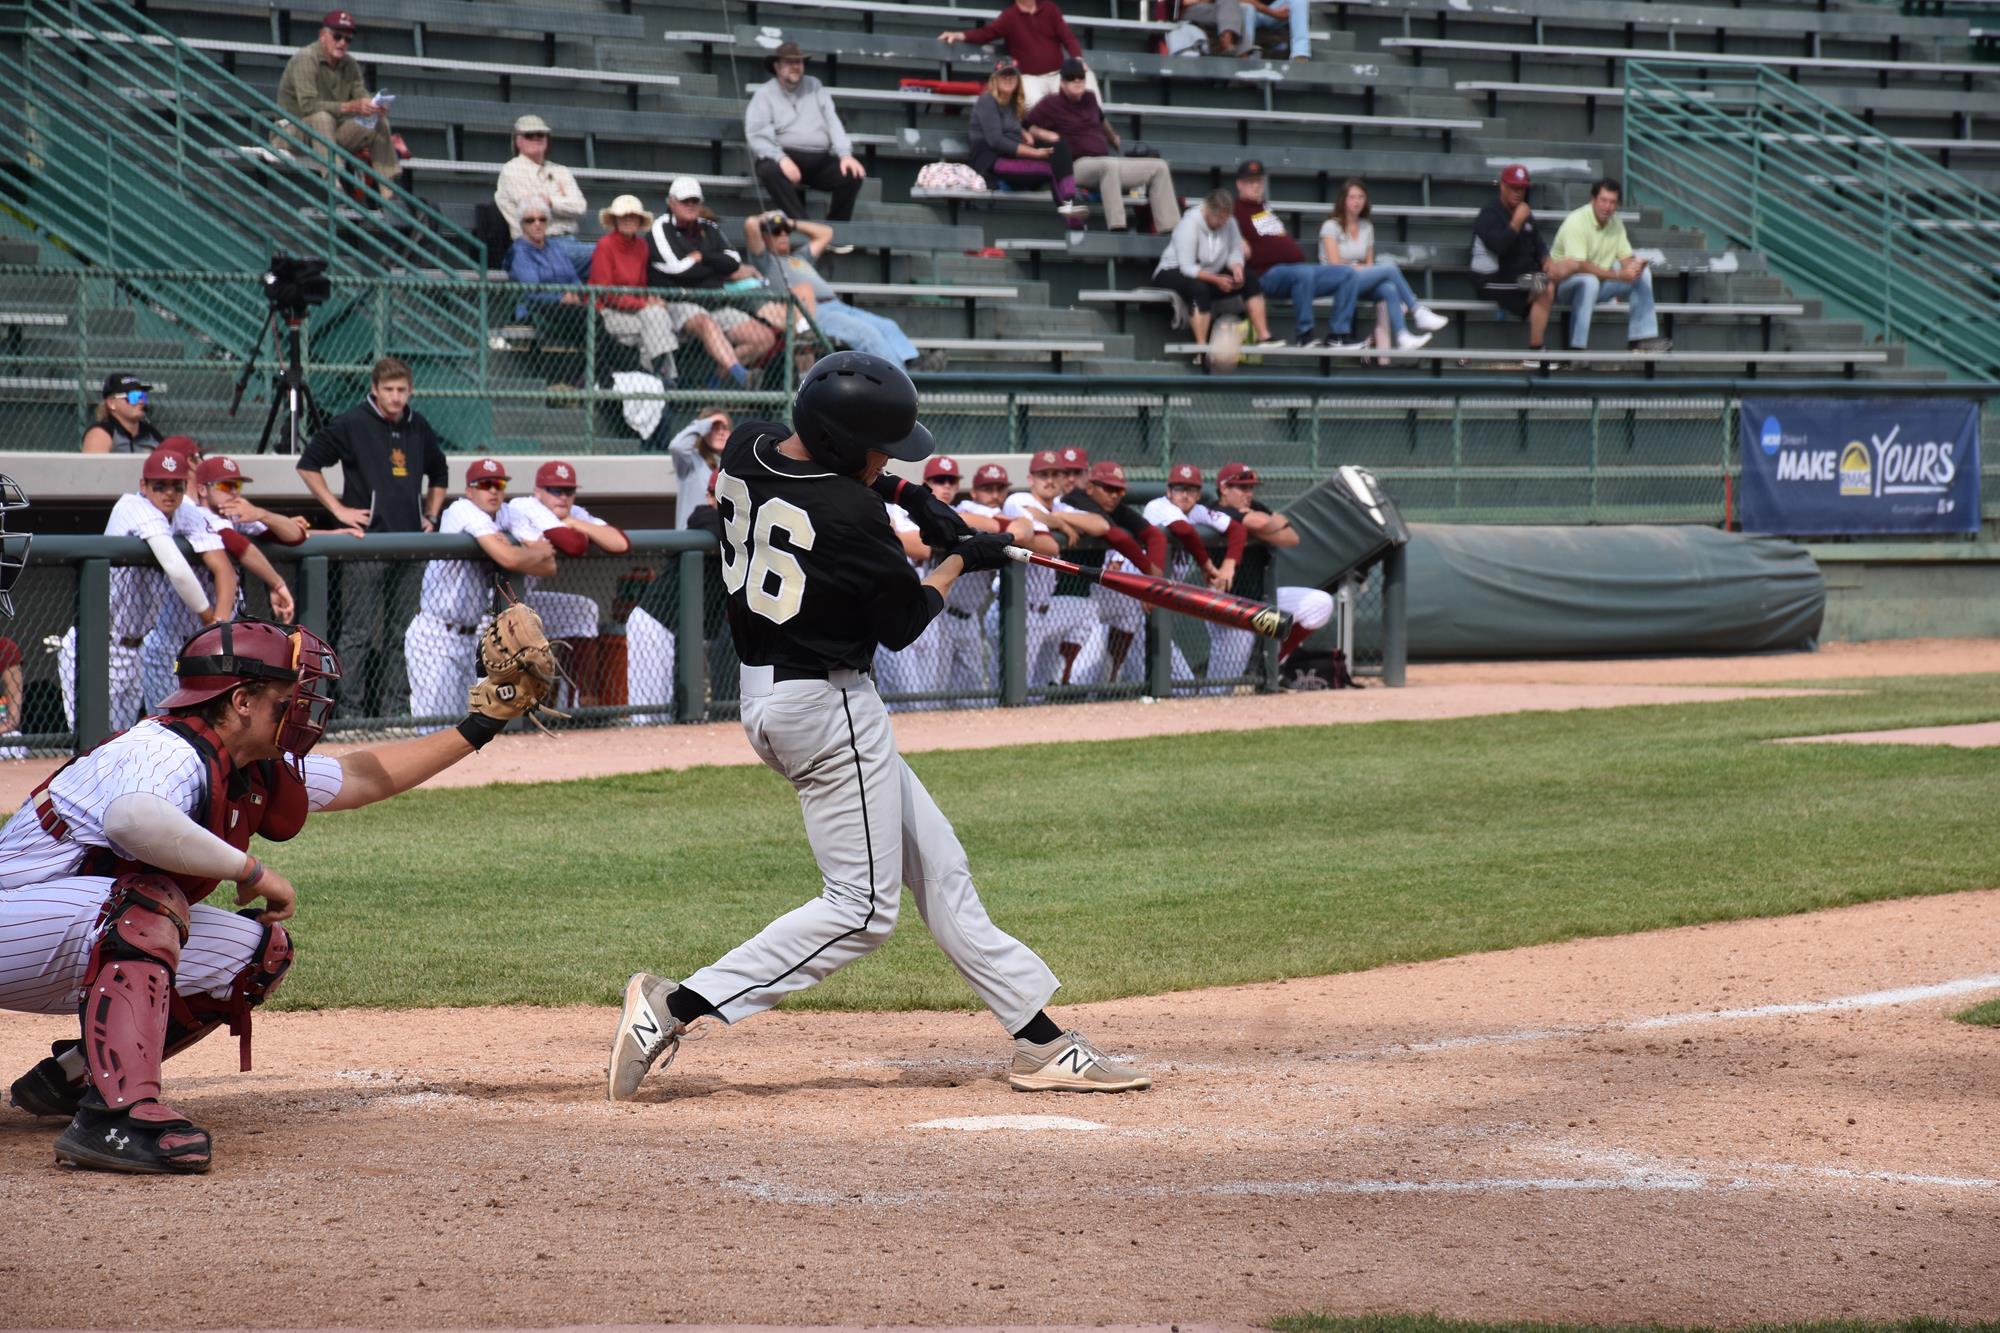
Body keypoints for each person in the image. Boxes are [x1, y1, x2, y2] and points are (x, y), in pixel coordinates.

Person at [608, 351, 1150, 1099]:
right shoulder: (849, 515)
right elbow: (903, 624)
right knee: (862, 910)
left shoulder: (751, 444)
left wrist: (912, 495)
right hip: (829, 710)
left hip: (769, 691)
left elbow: (842, 479)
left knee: (940, 864)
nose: (888, 462)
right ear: (843, 447)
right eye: (881, 453)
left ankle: (1041, 1039)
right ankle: (677, 1003)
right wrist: (961, 556)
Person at [0, 613, 553, 1173]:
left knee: (255, 953)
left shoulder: (245, 760)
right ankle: (115, 1122)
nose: (304, 711)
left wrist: (481, 724)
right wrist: (254, 872)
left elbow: (363, 777)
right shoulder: (163, 750)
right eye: (290, 699)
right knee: (147, 905)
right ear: (242, 701)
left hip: (56, 933)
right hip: (14, 922)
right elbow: (133, 819)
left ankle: (76, 1077)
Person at [296, 356, 448, 718]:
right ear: (375, 390)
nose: (396, 397)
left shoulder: (418, 424)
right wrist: (338, 509)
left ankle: (396, 712)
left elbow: (440, 471)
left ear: (410, 391)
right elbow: (308, 464)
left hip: (411, 545)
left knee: (403, 634)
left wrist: (431, 515)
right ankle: (351, 714)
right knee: (357, 634)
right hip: (366, 543)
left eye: (402, 390)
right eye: (389, 390)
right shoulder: (353, 422)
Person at [58, 445, 231, 734]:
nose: (169, 493)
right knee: (91, 747)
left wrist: (220, 623)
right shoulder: (133, 506)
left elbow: (221, 562)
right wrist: (208, 617)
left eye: (176, 486)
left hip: (135, 649)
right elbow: (176, 567)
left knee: (118, 744)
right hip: (97, 644)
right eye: (159, 485)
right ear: (144, 486)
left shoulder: (183, 513)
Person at [140, 453, 302, 711]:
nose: (234, 493)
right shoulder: (194, 514)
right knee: (167, 723)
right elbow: (235, 544)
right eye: (226, 486)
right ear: (203, 489)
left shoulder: (234, 517)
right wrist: (278, 584)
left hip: (212, 638)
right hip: (174, 642)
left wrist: (260, 513)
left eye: (237, 486)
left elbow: (295, 536)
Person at [405, 459, 555, 729]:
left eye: (498, 484)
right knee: (432, 729)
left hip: (470, 638)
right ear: (470, 490)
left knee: (461, 729)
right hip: (435, 634)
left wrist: (513, 550)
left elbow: (550, 562)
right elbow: (508, 558)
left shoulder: (507, 513)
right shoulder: (462, 509)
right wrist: (518, 551)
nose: (493, 491)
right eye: (485, 485)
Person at [504, 460, 633, 711]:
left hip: (524, 597)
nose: (562, 497)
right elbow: (574, 546)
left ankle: (577, 704)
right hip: (489, 602)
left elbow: (621, 543)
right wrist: (577, 530)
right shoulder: (525, 505)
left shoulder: (571, 513)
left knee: (582, 609)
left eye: (568, 491)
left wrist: (576, 524)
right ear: (538, 492)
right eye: (555, 490)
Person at [744, 211, 934, 371]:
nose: (784, 234)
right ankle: (899, 378)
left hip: (836, 305)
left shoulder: (799, 257)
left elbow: (826, 233)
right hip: (812, 311)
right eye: (777, 231)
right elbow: (750, 224)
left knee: (887, 325)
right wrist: (766, 218)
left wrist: (791, 222)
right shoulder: (764, 261)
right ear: (766, 236)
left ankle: (912, 361)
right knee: (866, 333)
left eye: (786, 231)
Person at [1204, 462, 1335, 685]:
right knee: (1221, 687)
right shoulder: (1214, 510)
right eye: (1242, 488)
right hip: (1230, 606)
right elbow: (1266, 522)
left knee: (1320, 604)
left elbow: (1292, 537)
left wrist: (1261, 526)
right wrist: (1267, 524)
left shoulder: (1253, 506)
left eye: (1251, 488)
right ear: (1224, 489)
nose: (1249, 493)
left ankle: (1271, 662)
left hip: (1262, 603)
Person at [646, 178, 782, 388]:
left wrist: (702, 256)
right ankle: (741, 376)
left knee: (763, 338)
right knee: (705, 323)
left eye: (694, 201)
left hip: (713, 301)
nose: (690, 205)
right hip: (675, 302)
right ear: (671, 202)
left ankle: (714, 384)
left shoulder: (708, 227)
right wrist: (715, 268)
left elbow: (733, 262)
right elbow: (677, 269)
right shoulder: (660, 228)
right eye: (685, 201)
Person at [1021, 59, 1181, 235]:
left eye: (1080, 77)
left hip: (1103, 162)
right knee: (1108, 165)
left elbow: (1101, 120)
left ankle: (1170, 230)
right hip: (1076, 165)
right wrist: (1045, 134)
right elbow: (1026, 125)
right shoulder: (1051, 103)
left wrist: (1113, 137)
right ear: (1062, 82)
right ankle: (1118, 227)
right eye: (1071, 78)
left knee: (1159, 167)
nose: (1077, 81)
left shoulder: (1089, 98)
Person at [1227, 160, 1366, 351]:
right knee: (1302, 273)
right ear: (1239, 184)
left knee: (1347, 274)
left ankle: (1339, 335)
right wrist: (1238, 240)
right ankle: (1304, 335)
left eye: (1259, 181)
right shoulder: (1233, 210)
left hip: (1294, 272)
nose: (1256, 186)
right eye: (1250, 182)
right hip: (1265, 276)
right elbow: (1221, 235)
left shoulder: (1263, 208)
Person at [273, 9, 401, 204]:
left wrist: (373, 106)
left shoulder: (349, 64)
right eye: (337, 36)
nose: (342, 43)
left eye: (347, 39)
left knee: (377, 121)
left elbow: (361, 94)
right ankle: (335, 185)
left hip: (327, 134)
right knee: (322, 116)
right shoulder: (306, 59)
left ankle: (389, 193)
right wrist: (351, 107)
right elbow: (308, 106)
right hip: (290, 130)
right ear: (323, 36)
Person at [1062, 460, 1167, 686]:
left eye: (1119, 490)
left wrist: (1152, 583)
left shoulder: (1113, 507)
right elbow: (1117, 537)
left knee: (1130, 606)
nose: (1115, 495)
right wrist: (1151, 576)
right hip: (1056, 591)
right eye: (1109, 489)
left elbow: (1155, 536)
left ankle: (1110, 678)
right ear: (1091, 487)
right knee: (1047, 672)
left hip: (1083, 594)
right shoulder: (1076, 500)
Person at [1319, 178, 1450, 352]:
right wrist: (1354, 265)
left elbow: (1369, 262)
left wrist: (1358, 267)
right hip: (1334, 280)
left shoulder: (1366, 226)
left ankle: (1403, 336)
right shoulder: (1331, 226)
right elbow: (1334, 263)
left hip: (1358, 279)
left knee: (1389, 288)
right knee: (1389, 268)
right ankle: (1417, 311)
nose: (1357, 201)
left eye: (1361, 197)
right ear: (1343, 200)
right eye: (1352, 197)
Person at [744, 42, 866, 225]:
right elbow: (757, 135)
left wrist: (845, 155)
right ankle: (804, 226)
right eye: (789, 62)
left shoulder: (815, 86)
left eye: (799, 63)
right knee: (768, 169)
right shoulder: (764, 94)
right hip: (785, 157)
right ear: (777, 66)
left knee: (852, 173)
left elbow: (833, 121)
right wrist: (781, 158)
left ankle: (836, 230)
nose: (795, 67)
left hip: (819, 160)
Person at [1548, 177, 1673, 357]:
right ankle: (1577, 351)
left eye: (1612, 202)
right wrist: (1618, 275)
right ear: (1593, 199)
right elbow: (1579, 266)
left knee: (1642, 274)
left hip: (1599, 283)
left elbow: (1625, 258)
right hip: (1563, 286)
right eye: (1603, 200)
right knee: (1589, 281)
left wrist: (1636, 265)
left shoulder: (1616, 224)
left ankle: (1640, 339)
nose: (1607, 207)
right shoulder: (1576, 221)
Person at [1154, 188, 1283, 354]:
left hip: (1209, 271)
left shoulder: (1230, 223)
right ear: (1208, 211)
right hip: (1172, 270)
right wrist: (1216, 280)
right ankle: (1201, 348)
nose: (1223, 222)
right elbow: (1187, 267)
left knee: (1250, 279)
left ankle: (1264, 335)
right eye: (1219, 218)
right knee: (1198, 288)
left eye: (1225, 218)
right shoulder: (1190, 224)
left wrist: (1237, 268)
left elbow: (1235, 252)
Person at [970, 59, 1089, 226]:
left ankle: (1070, 199)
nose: (1009, 78)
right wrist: (1036, 153)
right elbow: (996, 141)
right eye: (1004, 74)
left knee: (1059, 145)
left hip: (1012, 157)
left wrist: (1029, 132)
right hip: (993, 162)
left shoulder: (1012, 104)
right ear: (995, 79)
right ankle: (1074, 219)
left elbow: (1022, 125)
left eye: (1013, 75)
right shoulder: (987, 101)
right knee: (1051, 168)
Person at [1470, 163, 1558, 363]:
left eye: (1522, 188)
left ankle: (1536, 350)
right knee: (1544, 285)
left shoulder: (1525, 213)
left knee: (1551, 278)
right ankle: (1535, 352)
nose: (1518, 193)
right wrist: (1516, 223)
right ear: (1502, 186)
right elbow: (1499, 247)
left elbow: (1539, 244)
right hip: (1491, 280)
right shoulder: (1489, 213)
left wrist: (1546, 259)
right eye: (1514, 187)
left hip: (1516, 279)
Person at [589, 194, 681, 383]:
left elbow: (641, 285)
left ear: (640, 221)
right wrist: (643, 304)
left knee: (656, 320)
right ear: (615, 220)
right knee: (656, 326)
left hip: (636, 310)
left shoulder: (642, 246)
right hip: (608, 312)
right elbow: (605, 294)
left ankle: (653, 379)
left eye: (633, 216)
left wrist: (649, 301)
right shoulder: (605, 246)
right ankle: (663, 379)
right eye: (623, 216)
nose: (629, 220)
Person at [940, 0, 1101, 106]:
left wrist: (1078, 60)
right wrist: (958, 35)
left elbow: (1069, 39)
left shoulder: (1050, 9)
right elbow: (986, 33)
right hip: (1029, 78)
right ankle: (1053, 144)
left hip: (1058, 75)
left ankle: (1095, 129)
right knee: (1034, 102)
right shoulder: (1009, 17)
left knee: (1088, 79)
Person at [493, 114, 592, 276]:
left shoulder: (561, 171)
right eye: (529, 135)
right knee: (606, 255)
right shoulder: (512, 170)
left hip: (571, 241)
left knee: (615, 257)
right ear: (518, 141)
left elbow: (580, 207)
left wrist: (551, 202)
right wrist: (561, 200)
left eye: (541, 134)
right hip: (537, 245)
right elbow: (534, 208)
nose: (536, 138)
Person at [667, 407, 730, 528]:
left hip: (722, 539)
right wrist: (705, 424)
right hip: (692, 539)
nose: (721, 432)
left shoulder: (732, 465)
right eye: (714, 428)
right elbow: (677, 447)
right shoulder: (691, 460)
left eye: (725, 428)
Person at [80, 374, 165, 454]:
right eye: (133, 396)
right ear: (111, 403)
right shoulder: (101, 433)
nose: (141, 401)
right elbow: (94, 468)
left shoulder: (150, 433)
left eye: (142, 396)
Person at [1243, 0, 1311, 61]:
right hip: (1251, 14)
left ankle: (1300, 54)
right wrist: (1274, 13)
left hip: (1273, 10)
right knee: (1247, 8)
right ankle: (1244, 55)